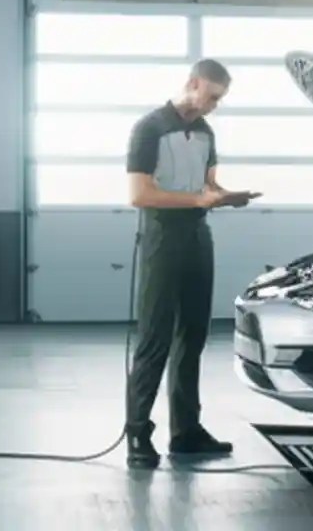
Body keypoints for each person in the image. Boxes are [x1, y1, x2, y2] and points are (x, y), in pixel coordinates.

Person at [123, 58, 260, 469]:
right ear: (193, 84)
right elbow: (139, 194)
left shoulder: (204, 132)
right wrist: (198, 200)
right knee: (154, 338)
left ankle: (185, 432)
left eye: (220, 99)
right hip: (162, 235)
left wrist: (224, 196)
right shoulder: (148, 128)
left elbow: (208, 185)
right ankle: (137, 433)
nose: (215, 105)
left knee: (193, 336)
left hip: (198, 234)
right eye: (212, 96)